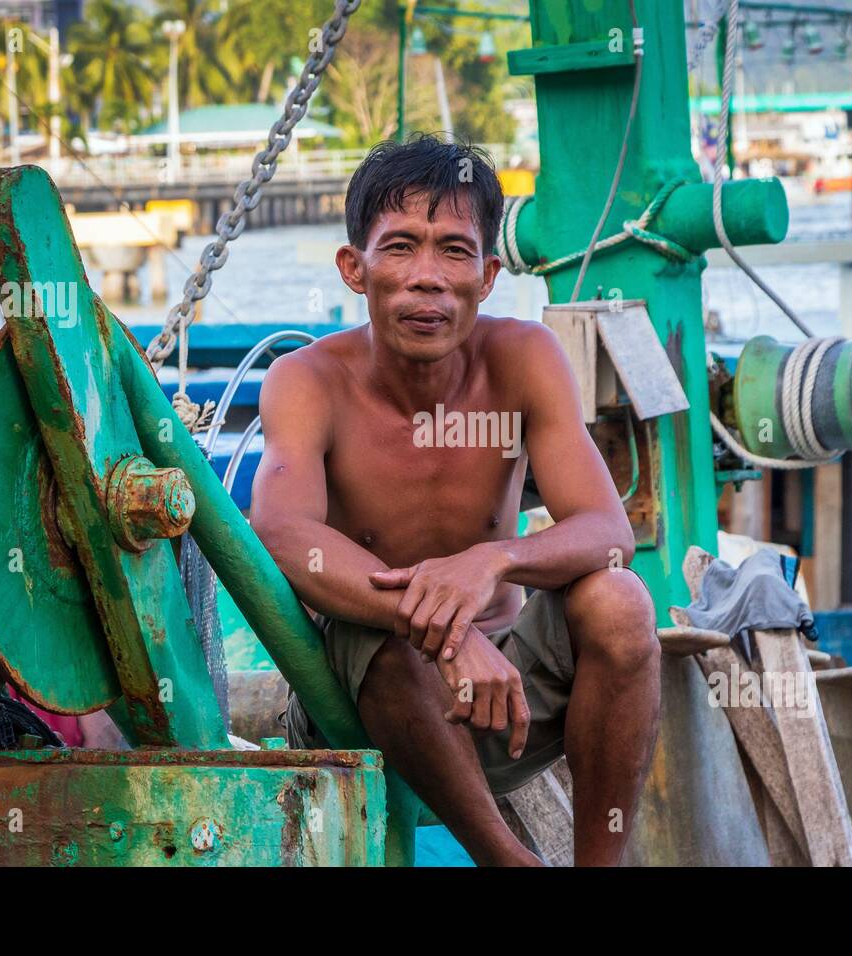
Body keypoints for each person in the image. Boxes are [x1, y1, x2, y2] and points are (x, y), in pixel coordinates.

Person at [251, 134, 660, 867]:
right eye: (400, 247)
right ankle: (509, 861)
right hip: (366, 711)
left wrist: (492, 560)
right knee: (369, 634)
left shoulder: (524, 357)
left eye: (454, 251)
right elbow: (282, 533)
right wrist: (441, 631)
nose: (427, 280)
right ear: (355, 268)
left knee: (620, 600)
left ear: (489, 273)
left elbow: (608, 533)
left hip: (509, 700)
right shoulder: (307, 379)